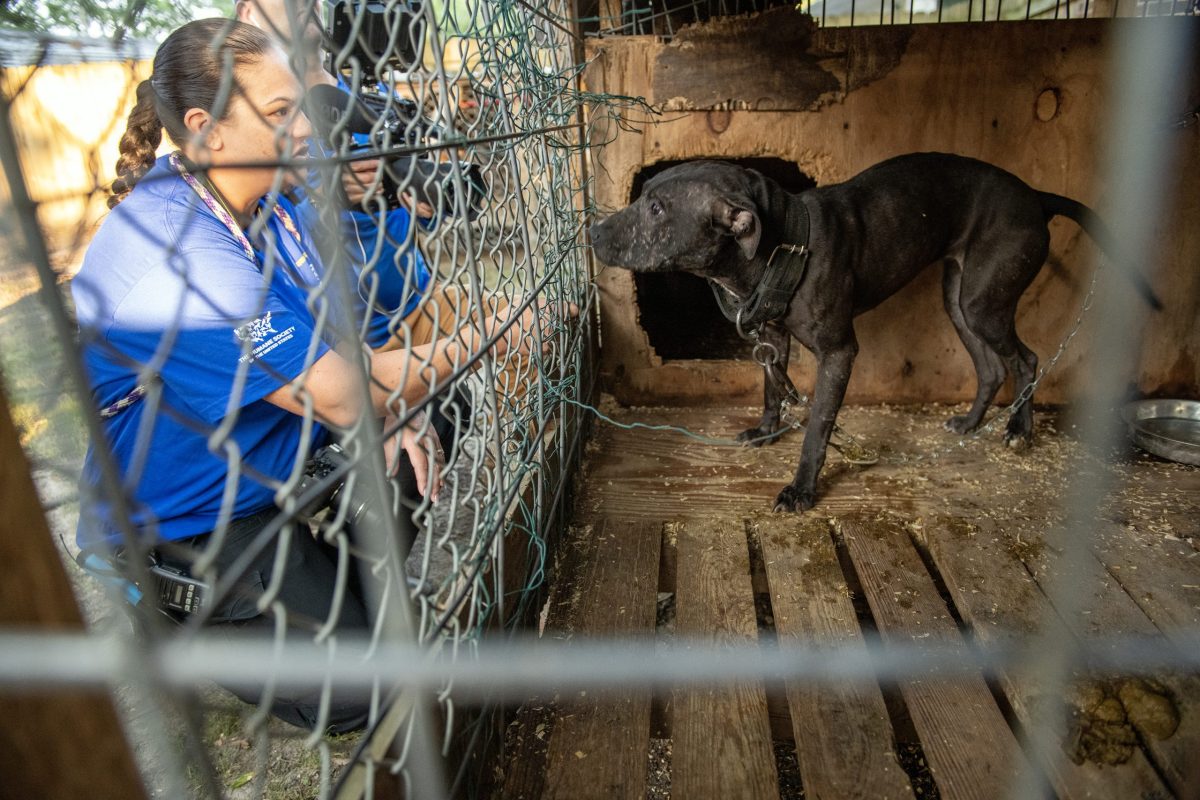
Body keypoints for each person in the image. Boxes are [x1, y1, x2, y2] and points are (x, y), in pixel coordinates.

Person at [72, 18, 537, 732]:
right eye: (282, 113)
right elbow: (348, 392)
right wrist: (492, 330)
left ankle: (342, 602)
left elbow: (346, 343)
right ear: (207, 130)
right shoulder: (180, 254)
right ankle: (183, 614)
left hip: (274, 456)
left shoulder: (273, 209)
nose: (307, 131)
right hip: (193, 518)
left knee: (434, 409)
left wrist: (398, 405)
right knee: (365, 697)